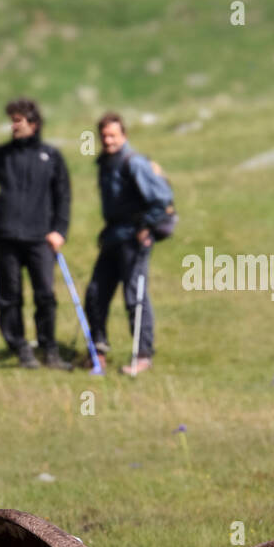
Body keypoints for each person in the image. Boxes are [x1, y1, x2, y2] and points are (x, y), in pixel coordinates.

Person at [0, 98, 71, 370]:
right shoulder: (0, 156)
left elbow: (63, 198)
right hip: (6, 236)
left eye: (17, 121)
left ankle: (49, 349)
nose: (12, 126)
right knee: (9, 296)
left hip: (41, 238)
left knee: (45, 294)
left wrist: (59, 230)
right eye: (11, 120)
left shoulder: (51, 156)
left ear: (33, 124)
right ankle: (20, 347)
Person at [83, 112, 173, 375]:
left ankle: (142, 356)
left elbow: (162, 199)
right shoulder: (105, 163)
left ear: (124, 135)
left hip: (134, 239)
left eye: (113, 135)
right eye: (104, 136)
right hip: (113, 237)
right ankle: (97, 352)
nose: (108, 140)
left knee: (135, 296)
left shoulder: (134, 163)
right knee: (95, 293)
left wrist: (145, 227)